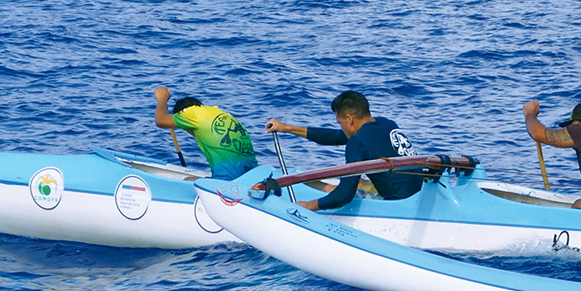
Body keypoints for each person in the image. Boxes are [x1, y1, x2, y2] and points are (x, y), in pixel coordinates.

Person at [265, 91, 421, 211]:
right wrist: (285, 128)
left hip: (398, 206)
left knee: (335, 187)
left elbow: (344, 196)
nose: (341, 127)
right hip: (419, 194)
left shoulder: (358, 141)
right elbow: (335, 136)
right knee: (358, 182)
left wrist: (308, 206)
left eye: (340, 123)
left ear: (349, 118)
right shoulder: (386, 124)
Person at [153, 86, 256, 178]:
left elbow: (160, 120)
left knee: (187, 181)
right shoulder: (224, 115)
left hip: (229, 183)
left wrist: (162, 100)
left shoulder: (191, 113)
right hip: (252, 178)